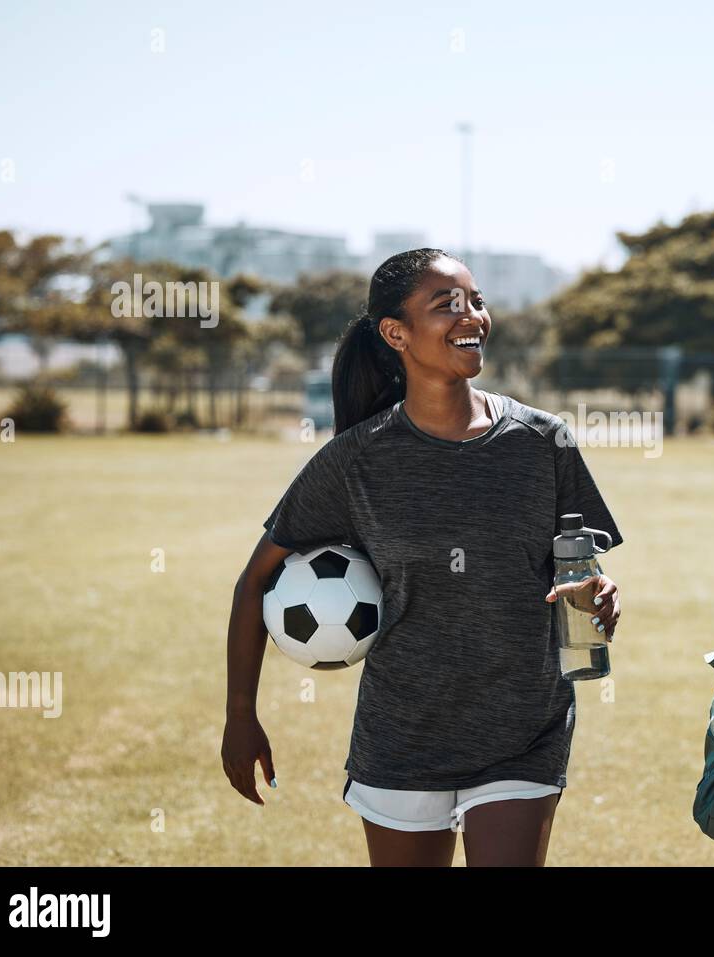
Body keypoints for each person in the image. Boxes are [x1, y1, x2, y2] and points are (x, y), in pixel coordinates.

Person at [221, 248, 625, 866]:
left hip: (523, 727)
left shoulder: (544, 442)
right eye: (448, 305)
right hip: (402, 735)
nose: (472, 316)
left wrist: (599, 598)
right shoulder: (356, 460)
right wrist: (240, 717)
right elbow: (254, 584)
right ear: (395, 333)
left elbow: (581, 573)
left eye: (477, 300)